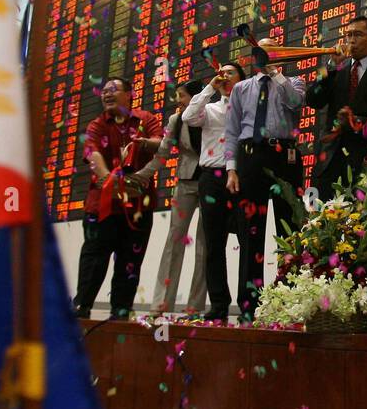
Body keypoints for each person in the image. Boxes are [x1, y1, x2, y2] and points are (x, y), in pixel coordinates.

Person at [224, 39, 306, 322]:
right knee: (251, 233)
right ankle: (249, 305)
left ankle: (294, 300)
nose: (263, 55)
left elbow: (295, 104)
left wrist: (276, 73)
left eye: (270, 51)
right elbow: (232, 130)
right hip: (249, 156)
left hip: (285, 156)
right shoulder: (241, 88)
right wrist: (231, 169)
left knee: (290, 230)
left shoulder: (294, 82)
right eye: (259, 51)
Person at [74, 76, 163, 319]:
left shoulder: (145, 120)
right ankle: (82, 307)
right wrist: (108, 181)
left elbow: (160, 143)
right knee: (94, 259)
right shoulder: (97, 125)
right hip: (101, 207)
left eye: (113, 90)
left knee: (130, 261)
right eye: (104, 91)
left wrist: (142, 144)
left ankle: (121, 312)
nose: (107, 94)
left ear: (129, 94)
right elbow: (93, 154)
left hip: (138, 208)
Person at [306, 16, 367, 200]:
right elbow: (312, 100)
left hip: (365, 165)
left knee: (360, 226)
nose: (351, 40)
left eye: (357, 34)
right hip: (329, 163)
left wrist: (357, 122)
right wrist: (331, 66)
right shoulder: (333, 71)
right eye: (348, 35)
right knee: (322, 224)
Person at [182, 61, 246, 322]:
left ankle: (248, 302)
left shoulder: (248, 107)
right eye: (223, 72)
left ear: (242, 79)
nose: (226, 76)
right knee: (213, 244)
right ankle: (219, 303)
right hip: (211, 177)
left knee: (247, 239)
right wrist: (210, 87)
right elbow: (188, 117)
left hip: (241, 176)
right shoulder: (209, 108)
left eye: (232, 73)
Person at [147, 79, 209, 315]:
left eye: (181, 96)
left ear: (195, 97)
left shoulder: (211, 116)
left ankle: (195, 307)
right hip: (184, 182)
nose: (178, 101)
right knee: (174, 240)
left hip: (210, 183)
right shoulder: (175, 120)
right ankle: (161, 304)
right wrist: (144, 175)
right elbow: (162, 153)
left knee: (204, 245)